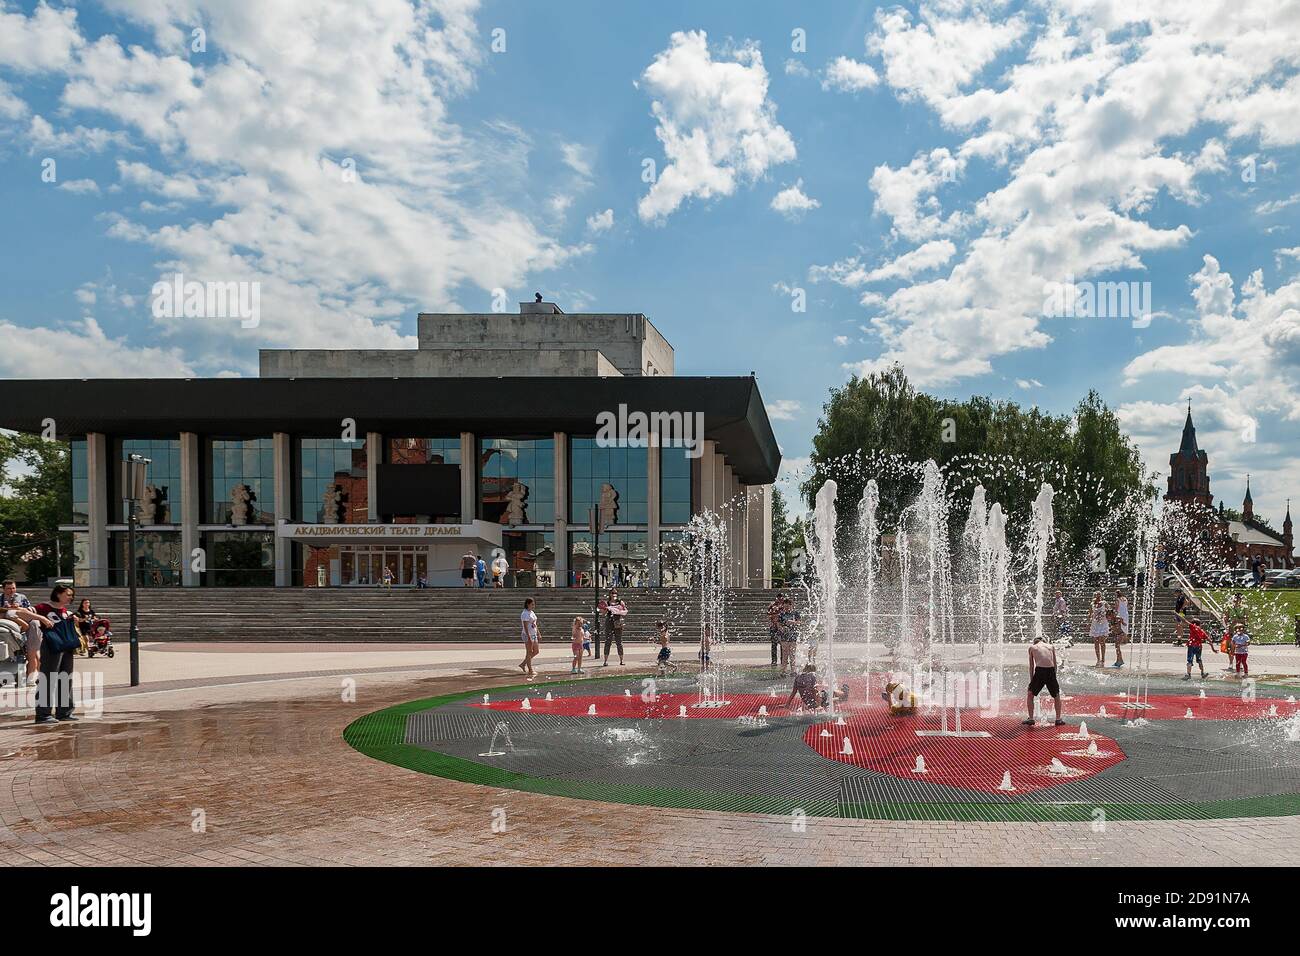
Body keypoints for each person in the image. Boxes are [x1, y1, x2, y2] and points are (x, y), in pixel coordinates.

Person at [34, 584, 79, 724]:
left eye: (71, 595)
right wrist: (41, 619)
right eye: (68, 594)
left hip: (66, 647)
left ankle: (64, 712)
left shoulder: (65, 611)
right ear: (58, 594)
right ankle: (43, 714)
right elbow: (19, 612)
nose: (70, 597)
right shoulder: (43, 608)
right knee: (48, 678)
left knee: (65, 678)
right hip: (51, 647)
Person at [2, 579, 46, 685]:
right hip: (12, 625)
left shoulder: (21, 597)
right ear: (3, 589)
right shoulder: (0, 598)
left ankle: (35, 677)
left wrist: (19, 608)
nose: (11, 590)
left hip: (31, 625)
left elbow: (28, 611)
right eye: (8, 588)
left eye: (13, 588)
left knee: (33, 652)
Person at [1023, 634, 1065, 726]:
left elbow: (1031, 666)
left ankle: (1031, 718)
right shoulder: (1051, 646)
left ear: (1035, 641)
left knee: (1030, 694)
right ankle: (1058, 719)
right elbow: (1055, 664)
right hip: (1050, 671)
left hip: (1040, 671)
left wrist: (1031, 681)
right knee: (1056, 695)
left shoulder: (1032, 647)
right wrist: (1054, 677)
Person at [1183, 611, 1216, 681]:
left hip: (1191, 646)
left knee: (1190, 660)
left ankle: (1188, 674)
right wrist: (1213, 649)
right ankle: (1202, 673)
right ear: (1200, 624)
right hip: (1199, 647)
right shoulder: (1202, 631)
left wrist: (1176, 614)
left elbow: (1185, 621)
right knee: (1199, 659)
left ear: (1194, 623)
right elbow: (1209, 640)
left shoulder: (1193, 626)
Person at [601, 589, 627, 666]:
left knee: (619, 642)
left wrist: (620, 611)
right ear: (610, 594)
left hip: (617, 622)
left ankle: (621, 660)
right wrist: (606, 609)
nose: (614, 594)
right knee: (608, 642)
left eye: (615, 593)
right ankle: (605, 661)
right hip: (609, 622)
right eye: (612, 593)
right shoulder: (607, 603)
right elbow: (603, 613)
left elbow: (625, 611)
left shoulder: (620, 602)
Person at [519, 598, 540, 678]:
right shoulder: (525, 613)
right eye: (532, 604)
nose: (534, 606)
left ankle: (523, 663)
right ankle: (530, 670)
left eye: (534, 604)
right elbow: (525, 626)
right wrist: (528, 637)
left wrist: (538, 633)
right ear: (528, 604)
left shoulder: (532, 612)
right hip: (527, 635)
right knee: (529, 652)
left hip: (533, 634)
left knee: (536, 651)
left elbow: (534, 623)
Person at [778, 597, 799, 676]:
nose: (786, 608)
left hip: (793, 637)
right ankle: (783, 670)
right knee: (785, 654)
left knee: (792, 654)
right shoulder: (781, 614)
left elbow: (799, 622)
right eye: (785, 606)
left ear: (791, 605)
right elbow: (778, 624)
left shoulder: (795, 613)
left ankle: (793, 670)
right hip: (784, 637)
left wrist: (793, 622)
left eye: (787, 606)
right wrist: (781, 628)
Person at [1088, 591, 1109, 666]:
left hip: (1103, 624)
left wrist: (1104, 614)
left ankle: (1103, 659)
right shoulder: (1092, 604)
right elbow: (1090, 615)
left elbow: (1110, 611)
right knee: (1096, 642)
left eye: (1099, 595)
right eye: (1096, 596)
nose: (1098, 597)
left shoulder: (1104, 603)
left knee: (1102, 642)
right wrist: (1089, 621)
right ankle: (1098, 659)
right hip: (1095, 624)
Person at [1111, 589, 1129, 668]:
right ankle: (1124, 638)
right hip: (1125, 614)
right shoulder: (1125, 599)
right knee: (1123, 627)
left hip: (1120, 614)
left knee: (1119, 628)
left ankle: (1119, 660)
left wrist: (1115, 613)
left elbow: (1116, 608)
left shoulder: (1117, 600)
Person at [766, 594, 784, 668]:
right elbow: (768, 614)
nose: (779, 599)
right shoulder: (772, 605)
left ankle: (783, 659)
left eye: (781, 598)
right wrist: (771, 622)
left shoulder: (784, 605)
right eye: (778, 598)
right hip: (774, 627)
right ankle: (774, 660)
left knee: (783, 644)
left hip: (781, 627)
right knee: (774, 644)